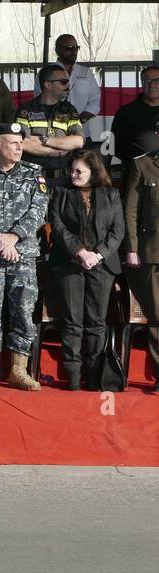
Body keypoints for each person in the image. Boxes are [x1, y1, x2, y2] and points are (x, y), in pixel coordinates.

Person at [0, 123, 50, 391]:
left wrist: (13, 237)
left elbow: (39, 210)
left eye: (21, 142)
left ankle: (19, 369)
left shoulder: (34, 173)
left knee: (24, 311)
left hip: (22, 255)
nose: (19, 147)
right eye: (13, 142)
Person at [49, 149, 122, 391]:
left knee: (96, 322)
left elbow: (117, 231)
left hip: (102, 266)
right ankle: (71, 377)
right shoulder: (61, 192)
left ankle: (94, 377)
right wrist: (80, 252)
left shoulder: (110, 194)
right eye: (71, 170)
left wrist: (98, 255)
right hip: (69, 263)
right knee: (72, 322)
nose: (74, 174)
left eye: (79, 171)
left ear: (94, 171)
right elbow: (57, 226)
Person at [122, 130, 159, 392]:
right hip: (152, 252)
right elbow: (131, 210)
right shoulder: (142, 164)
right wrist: (132, 248)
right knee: (157, 315)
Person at [15, 65, 84, 179]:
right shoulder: (27, 109)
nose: (68, 85)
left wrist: (43, 140)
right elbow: (23, 142)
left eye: (68, 81)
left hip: (63, 176)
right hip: (32, 176)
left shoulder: (69, 110)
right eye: (63, 82)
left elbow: (79, 140)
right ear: (48, 85)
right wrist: (54, 152)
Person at [109, 67, 159, 170]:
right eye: (147, 80)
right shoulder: (126, 112)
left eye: (157, 80)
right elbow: (115, 146)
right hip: (136, 173)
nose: (152, 85)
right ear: (142, 83)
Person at [54, 33, 101, 137]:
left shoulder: (86, 72)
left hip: (82, 132)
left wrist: (78, 121)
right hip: (55, 132)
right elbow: (41, 100)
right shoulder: (46, 73)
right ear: (57, 50)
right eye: (69, 48)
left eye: (76, 48)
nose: (73, 51)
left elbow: (95, 101)